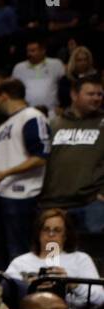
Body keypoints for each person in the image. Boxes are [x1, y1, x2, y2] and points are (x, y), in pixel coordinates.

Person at [0, 79, 49, 261]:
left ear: (4, 97)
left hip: (21, 196)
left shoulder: (32, 116)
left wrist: (5, 173)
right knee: (2, 252)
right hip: (0, 193)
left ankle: (23, 289)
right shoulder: (6, 124)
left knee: (19, 252)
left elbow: (40, 157)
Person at [5, 208, 102, 309]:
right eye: (46, 229)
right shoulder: (20, 262)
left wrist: (73, 284)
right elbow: (5, 297)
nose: (51, 234)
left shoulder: (80, 259)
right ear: (38, 233)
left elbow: (100, 299)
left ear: (65, 235)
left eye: (57, 230)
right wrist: (27, 287)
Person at [40, 74, 104, 235]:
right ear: (74, 95)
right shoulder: (53, 124)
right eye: (91, 94)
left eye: (100, 94)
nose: (96, 98)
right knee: (52, 253)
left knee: (92, 256)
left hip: (91, 202)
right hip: (53, 203)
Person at [10, 39, 65, 113]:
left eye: (33, 51)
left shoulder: (56, 64)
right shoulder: (19, 67)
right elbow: (13, 91)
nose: (29, 54)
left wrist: (63, 106)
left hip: (52, 112)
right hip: (26, 112)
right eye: (28, 51)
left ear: (43, 50)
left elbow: (65, 86)